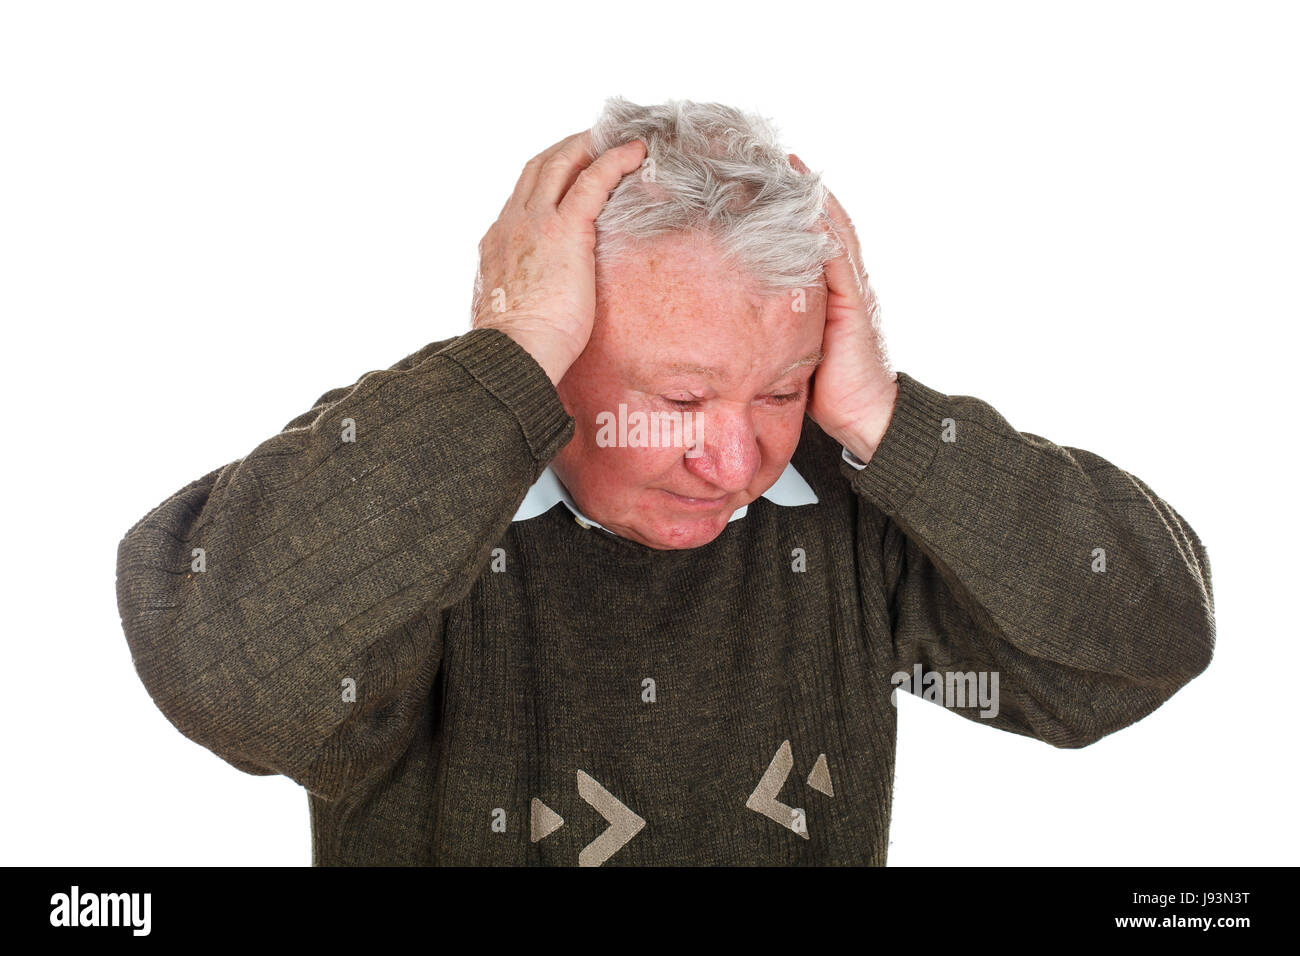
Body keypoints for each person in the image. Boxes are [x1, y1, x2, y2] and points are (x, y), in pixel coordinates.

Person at [115, 97, 1215, 866]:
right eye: (678, 402)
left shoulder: (850, 495)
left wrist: (888, 417)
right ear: (551, 351)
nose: (734, 464)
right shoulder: (416, 470)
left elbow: (1140, 645)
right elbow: (227, 677)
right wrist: (498, 366)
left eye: (780, 390)